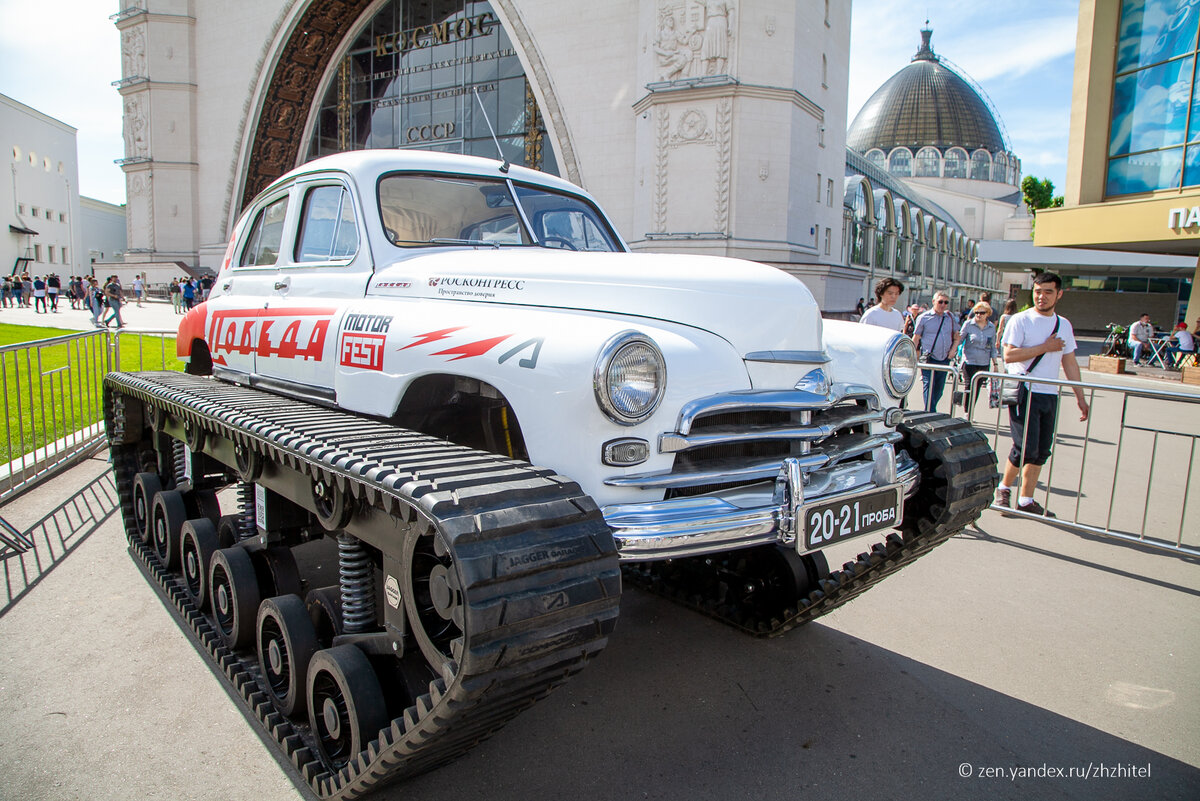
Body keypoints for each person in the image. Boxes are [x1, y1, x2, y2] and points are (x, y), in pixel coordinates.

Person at [995, 272, 1089, 517]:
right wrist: (1044, 347)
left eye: (1048, 291)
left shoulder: (1063, 325)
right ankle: (1004, 488)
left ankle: (1026, 500)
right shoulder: (1020, 320)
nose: (1041, 296)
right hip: (1024, 389)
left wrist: (1080, 396)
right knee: (1024, 447)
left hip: (1049, 393)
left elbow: (1069, 362)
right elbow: (1009, 355)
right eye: (1037, 291)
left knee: (1041, 450)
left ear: (1059, 294)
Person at [911, 291, 960, 411]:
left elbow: (957, 336)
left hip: (944, 358)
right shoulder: (924, 317)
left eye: (946, 302)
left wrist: (953, 350)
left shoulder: (950, 317)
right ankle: (930, 412)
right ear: (933, 302)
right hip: (929, 357)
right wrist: (910, 355)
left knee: (939, 390)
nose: (943, 305)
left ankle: (930, 409)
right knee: (928, 385)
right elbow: (916, 337)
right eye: (940, 302)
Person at [958, 301, 997, 415]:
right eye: (976, 312)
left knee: (977, 388)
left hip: (983, 362)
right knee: (969, 385)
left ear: (987, 314)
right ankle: (966, 411)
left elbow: (992, 347)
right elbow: (959, 340)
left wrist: (995, 364)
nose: (979, 315)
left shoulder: (991, 328)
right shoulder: (968, 324)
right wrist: (953, 351)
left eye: (982, 313)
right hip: (969, 360)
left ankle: (971, 410)